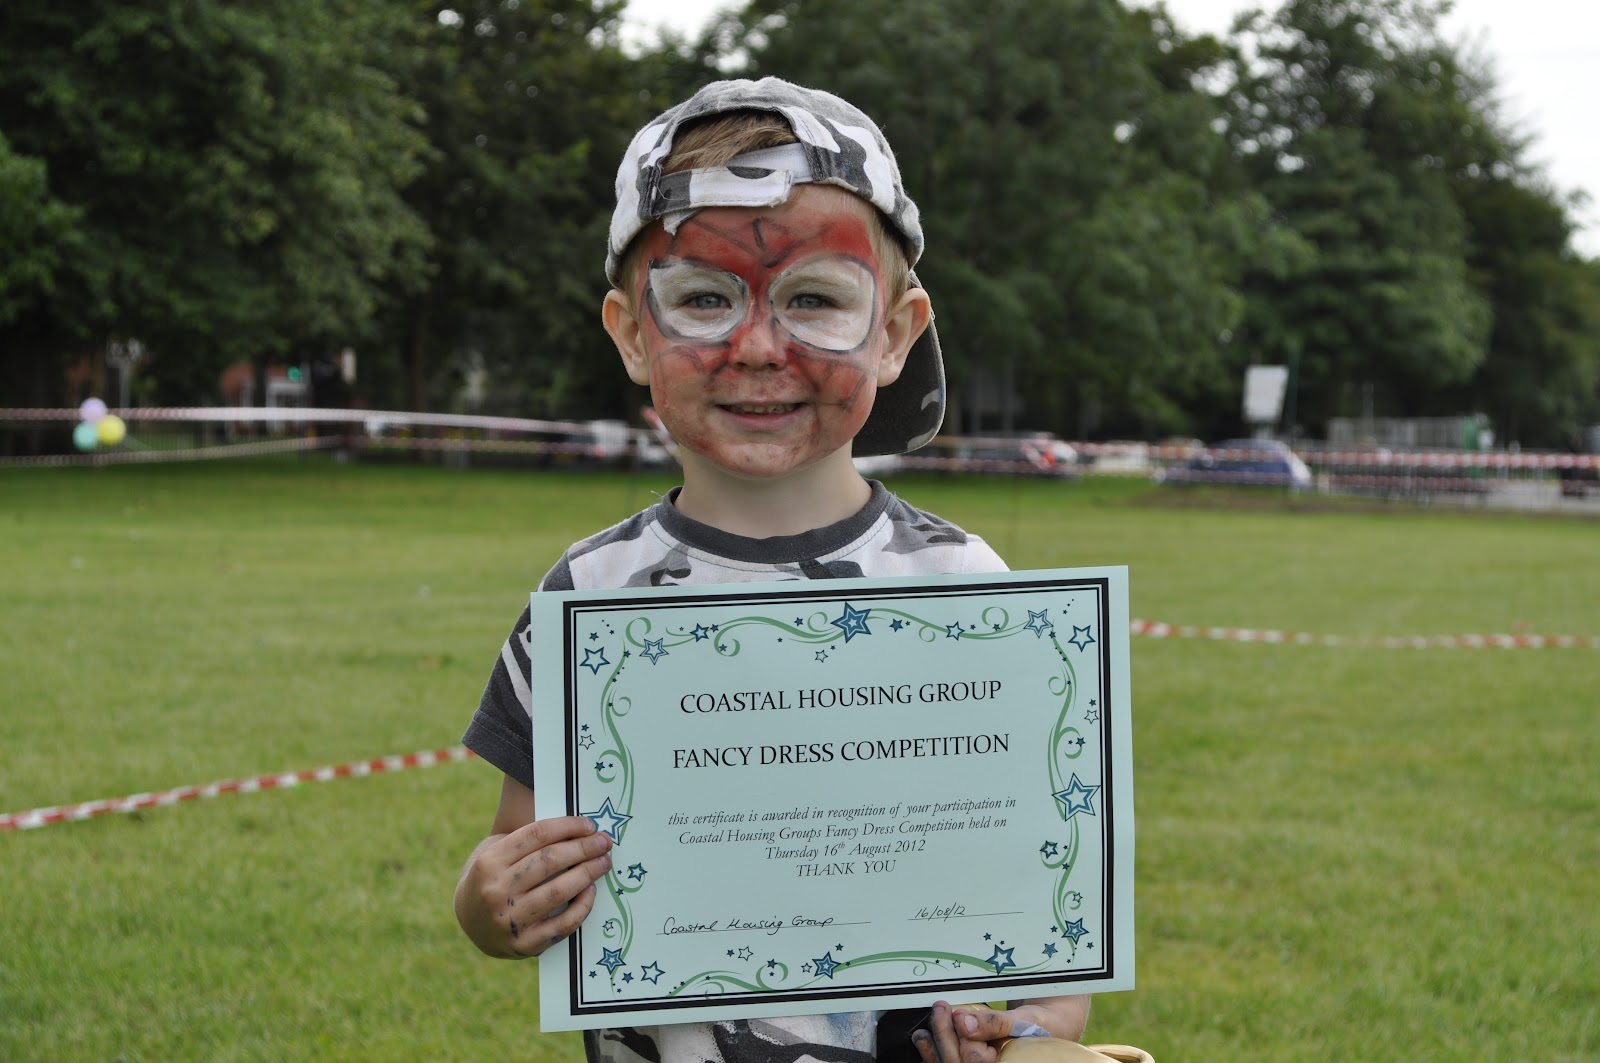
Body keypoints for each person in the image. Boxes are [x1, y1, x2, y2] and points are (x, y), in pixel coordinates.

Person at [453, 77, 1093, 1063]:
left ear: (892, 334)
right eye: (702, 298)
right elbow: (514, 851)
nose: (757, 347)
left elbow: (1037, 942)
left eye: (815, 299)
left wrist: (1019, 1035)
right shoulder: (586, 598)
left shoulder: (967, 587)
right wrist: (492, 900)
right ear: (630, 331)